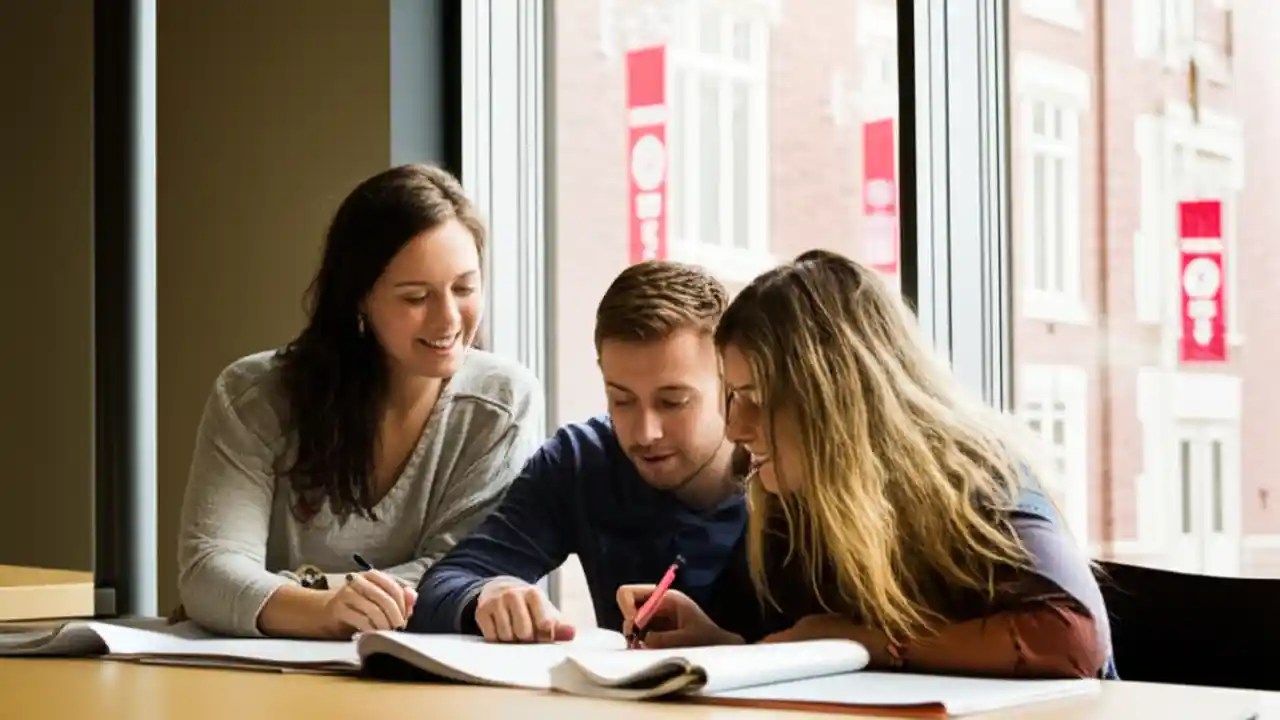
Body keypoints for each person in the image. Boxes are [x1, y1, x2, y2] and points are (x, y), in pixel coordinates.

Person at [617, 249, 1115, 679]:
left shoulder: (977, 478)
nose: (735, 427)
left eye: (756, 397)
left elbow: (1071, 637)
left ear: (834, 401)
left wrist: (874, 644)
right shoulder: (789, 504)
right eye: (732, 396)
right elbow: (790, 643)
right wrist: (721, 645)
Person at [176, 164, 543, 639]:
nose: (448, 318)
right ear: (359, 299)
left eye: (465, 289)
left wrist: (298, 591)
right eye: (416, 297)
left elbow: (463, 573)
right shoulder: (254, 397)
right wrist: (324, 611)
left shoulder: (502, 403)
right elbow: (208, 571)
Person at [408, 260, 759, 643]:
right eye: (621, 400)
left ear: (730, 386)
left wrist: (732, 648)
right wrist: (489, 595)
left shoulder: (783, 469)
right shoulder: (581, 461)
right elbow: (441, 586)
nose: (645, 433)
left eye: (673, 402)